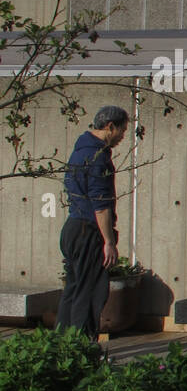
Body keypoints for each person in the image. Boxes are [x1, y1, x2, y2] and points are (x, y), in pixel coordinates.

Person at [56, 105, 130, 337]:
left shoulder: (80, 150)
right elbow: (100, 204)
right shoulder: (98, 157)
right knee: (90, 294)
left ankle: (61, 346)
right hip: (89, 231)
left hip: (72, 228)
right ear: (110, 127)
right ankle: (82, 348)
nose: (122, 137)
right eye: (122, 131)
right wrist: (109, 241)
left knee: (73, 289)